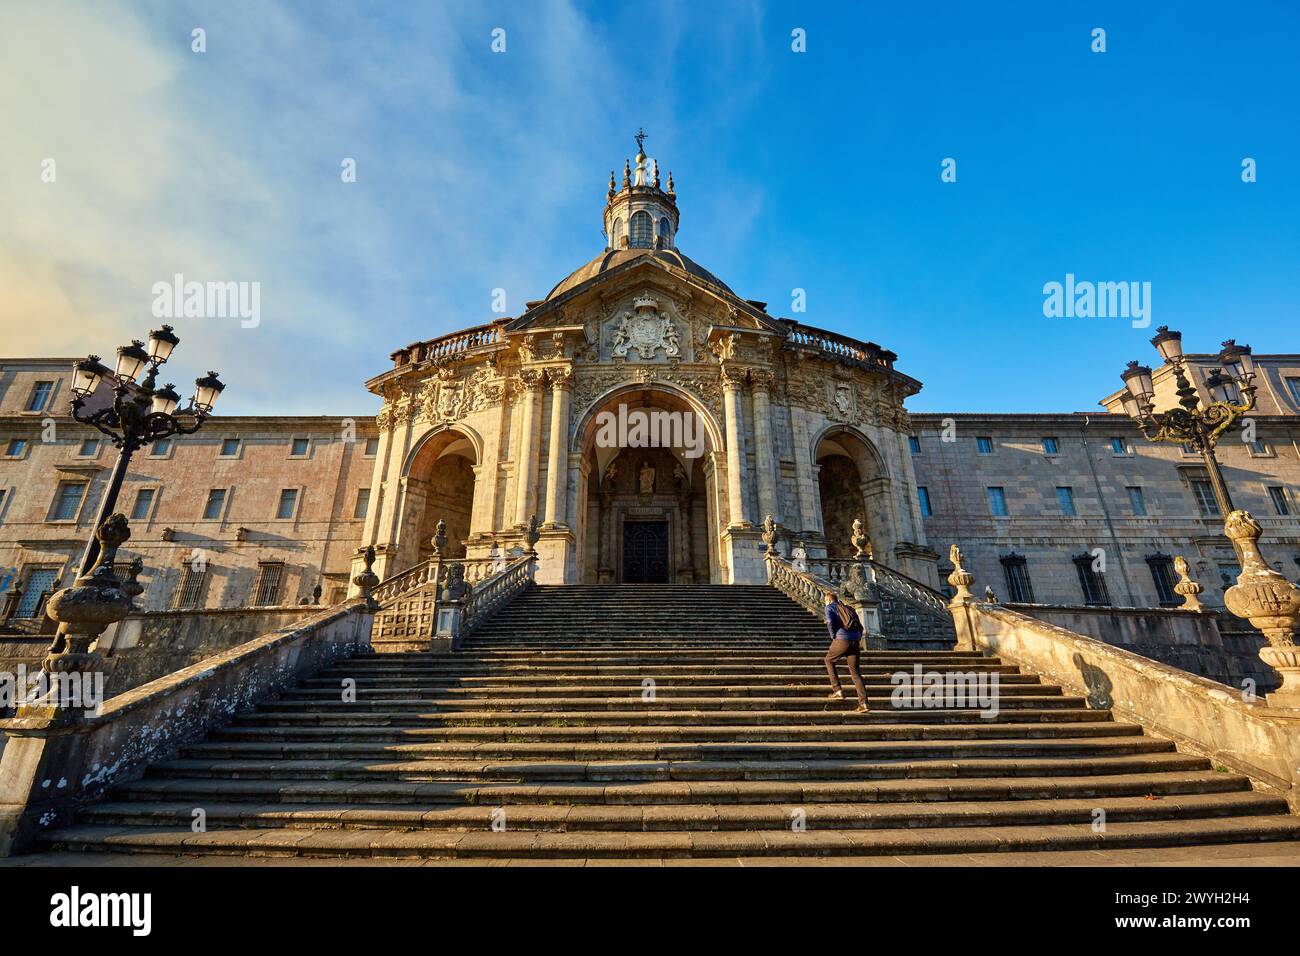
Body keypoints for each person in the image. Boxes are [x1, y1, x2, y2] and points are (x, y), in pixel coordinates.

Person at [823, 591, 868, 713]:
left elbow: (830, 622)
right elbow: (859, 624)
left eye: (825, 601)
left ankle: (837, 690)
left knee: (828, 660)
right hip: (855, 640)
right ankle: (863, 703)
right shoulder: (848, 607)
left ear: (829, 600)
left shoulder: (829, 607)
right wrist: (858, 637)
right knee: (855, 673)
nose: (825, 603)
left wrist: (833, 636)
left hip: (842, 639)